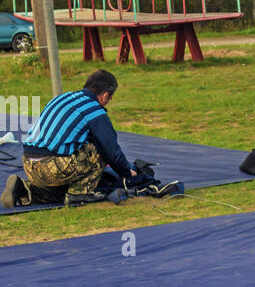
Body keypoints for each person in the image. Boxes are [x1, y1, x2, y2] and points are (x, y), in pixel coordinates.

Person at [1, 68, 148, 209]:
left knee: (60, 189)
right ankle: (79, 194)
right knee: (97, 150)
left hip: (28, 163)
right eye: (110, 98)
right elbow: (110, 149)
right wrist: (127, 172)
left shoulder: (61, 98)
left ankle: (24, 188)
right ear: (105, 95)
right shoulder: (93, 109)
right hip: (53, 167)